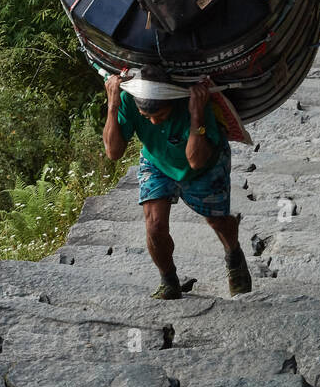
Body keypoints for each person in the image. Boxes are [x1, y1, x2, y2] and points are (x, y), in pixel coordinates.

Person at [102, 70, 252, 300]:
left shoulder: (194, 103)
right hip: (157, 163)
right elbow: (113, 152)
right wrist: (112, 105)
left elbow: (195, 160)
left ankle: (234, 256)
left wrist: (196, 116)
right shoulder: (127, 99)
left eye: (160, 116)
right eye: (146, 116)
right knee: (154, 226)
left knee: (218, 221)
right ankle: (169, 280)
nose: (152, 121)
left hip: (205, 164)